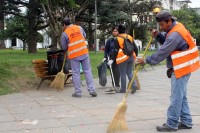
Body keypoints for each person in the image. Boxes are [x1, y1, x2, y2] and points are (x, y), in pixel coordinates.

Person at [136, 10, 200, 132]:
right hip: (183, 67)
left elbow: (163, 51)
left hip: (181, 68)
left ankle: (172, 124)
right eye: (159, 25)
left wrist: (147, 60)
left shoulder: (175, 34)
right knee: (182, 96)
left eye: (162, 25)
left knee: (176, 97)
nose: (161, 27)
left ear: (169, 21)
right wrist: (158, 35)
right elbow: (167, 40)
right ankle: (186, 121)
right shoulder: (176, 27)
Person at [61, 17, 97, 98]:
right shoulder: (79, 27)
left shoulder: (64, 33)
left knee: (76, 73)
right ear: (71, 22)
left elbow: (63, 47)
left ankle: (78, 92)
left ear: (64, 25)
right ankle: (92, 90)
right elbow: (84, 36)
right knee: (87, 71)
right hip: (84, 52)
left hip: (74, 55)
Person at [109, 24, 138, 94]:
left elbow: (115, 50)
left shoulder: (117, 39)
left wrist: (112, 59)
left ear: (118, 31)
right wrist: (135, 56)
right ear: (125, 30)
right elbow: (135, 48)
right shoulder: (130, 37)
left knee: (122, 73)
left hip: (122, 58)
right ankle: (134, 85)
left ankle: (123, 89)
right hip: (131, 57)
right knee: (129, 72)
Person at [102, 27, 120, 92]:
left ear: (118, 32)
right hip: (110, 58)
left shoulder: (119, 39)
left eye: (116, 31)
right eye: (113, 31)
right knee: (112, 71)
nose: (115, 32)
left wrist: (113, 58)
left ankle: (117, 85)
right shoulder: (110, 40)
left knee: (117, 72)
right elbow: (106, 49)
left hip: (117, 58)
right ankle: (114, 85)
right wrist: (105, 57)